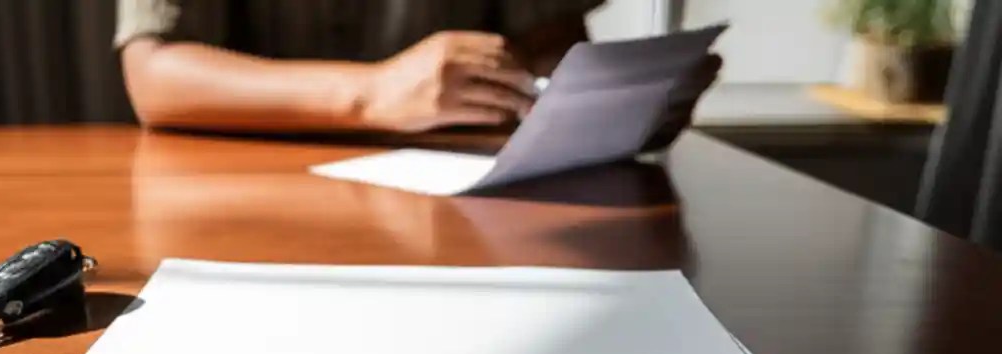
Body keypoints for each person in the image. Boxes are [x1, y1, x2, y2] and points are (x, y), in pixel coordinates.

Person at [117, 0, 714, 136]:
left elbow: (549, 35)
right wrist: (373, 92)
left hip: (464, 200)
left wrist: (604, 103)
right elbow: (157, 74)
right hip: (237, 196)